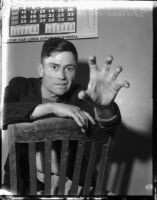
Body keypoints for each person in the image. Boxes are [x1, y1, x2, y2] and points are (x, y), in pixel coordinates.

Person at [2, 37, 130, 194]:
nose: (61, 76)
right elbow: (5, 113)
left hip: (71, 182)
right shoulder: (20, 86)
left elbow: (104, 127)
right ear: (41, 69)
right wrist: (52, 107)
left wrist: (103, 107)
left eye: (69, 68)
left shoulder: (80, 94)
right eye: (54, 67)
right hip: (24, 183)